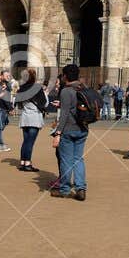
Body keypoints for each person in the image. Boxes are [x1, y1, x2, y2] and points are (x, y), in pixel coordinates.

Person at [50, 63, 90, 200]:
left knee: (66, 160)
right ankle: (81, 188)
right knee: (78, 159)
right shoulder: (83, 88)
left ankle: (65, 189)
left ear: (65, 76)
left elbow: (65, 114)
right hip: (83, 128)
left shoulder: (66, 91)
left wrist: (58, 133)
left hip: (68, 129)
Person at [15, 68, 47, 172]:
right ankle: (27, 163)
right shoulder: (37, 88)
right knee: (30, 142)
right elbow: (44, 103)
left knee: (26, 141)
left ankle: (23, 162)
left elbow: (18, 104)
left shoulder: (21, 88)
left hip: (25, 116)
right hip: (34, 117)